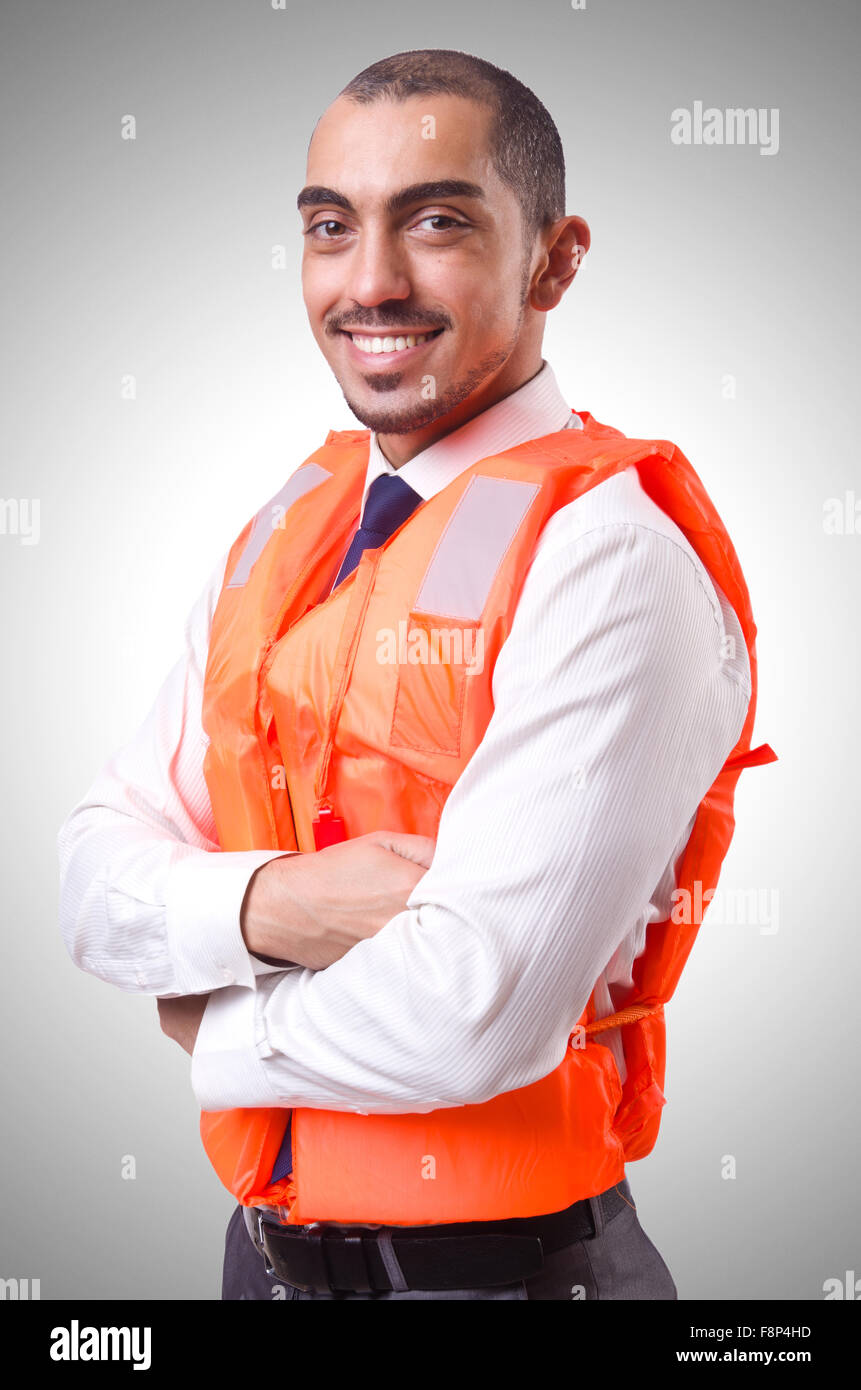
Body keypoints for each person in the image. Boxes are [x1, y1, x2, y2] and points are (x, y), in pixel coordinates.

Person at [57, 48, 774, 1301]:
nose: (370, 280)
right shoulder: (292, 527)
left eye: (436, 221)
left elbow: (471, 1011)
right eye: (332, 227)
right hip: (260, 1265)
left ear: (555, 259)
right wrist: (279, 904)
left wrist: (205, 1014)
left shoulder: (613, 554)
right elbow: (87, 878)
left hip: (506, 1282)